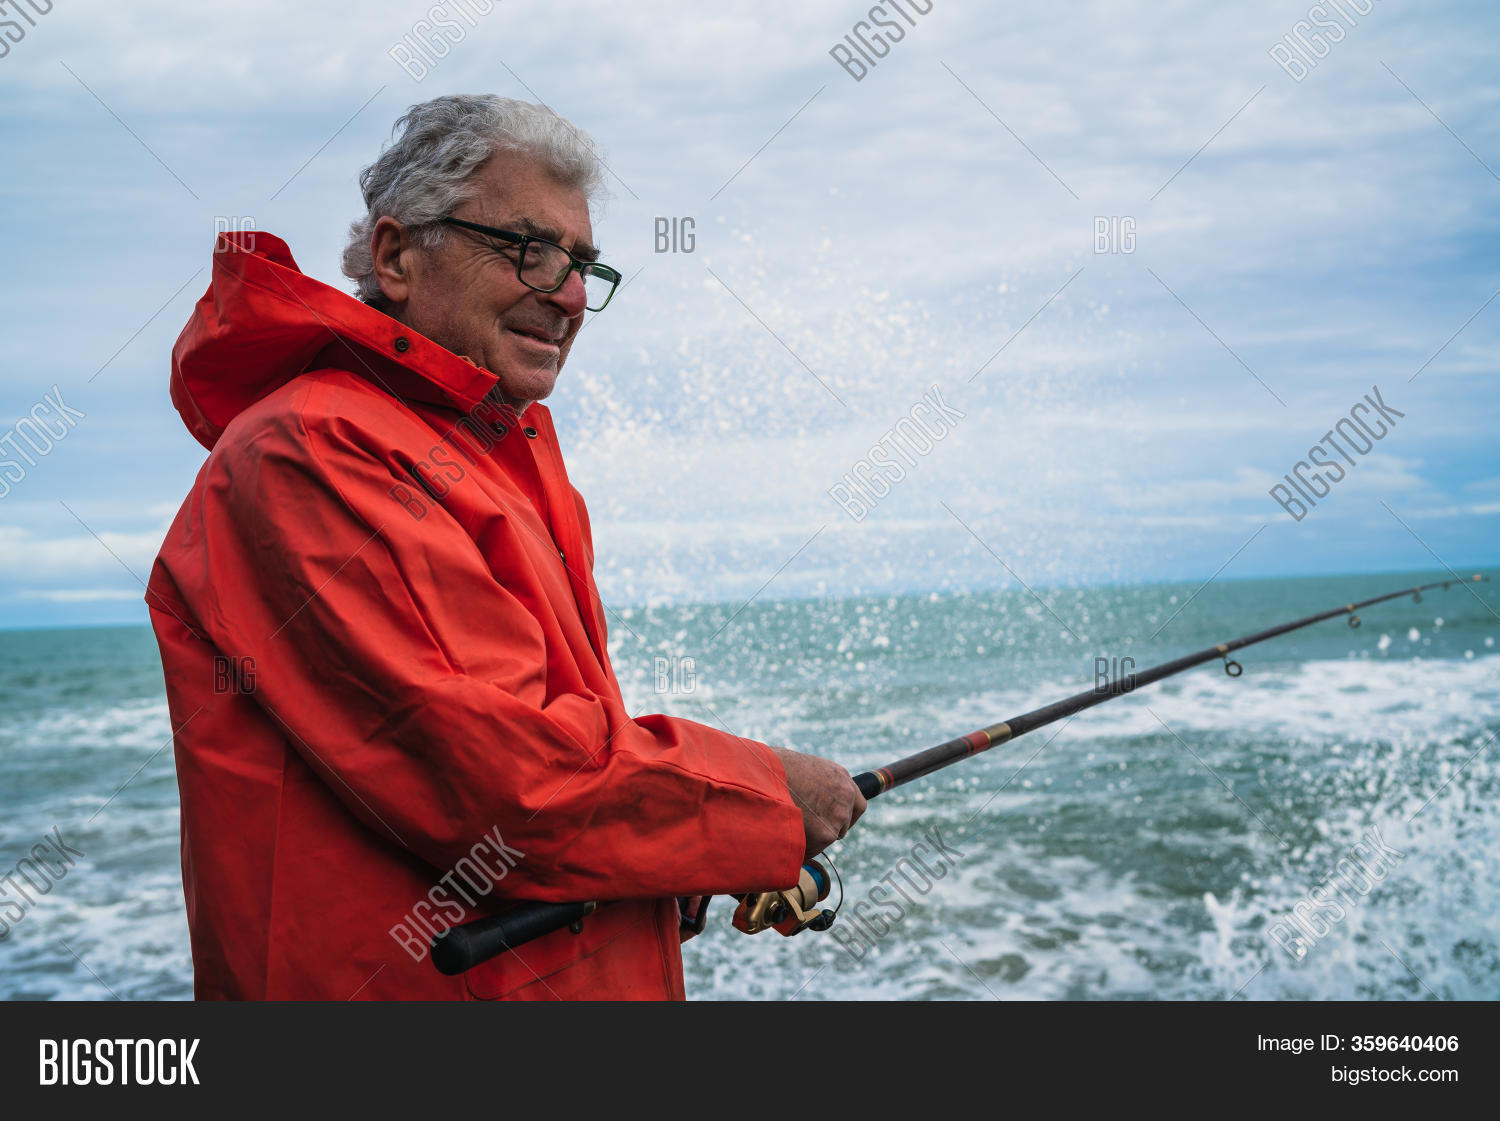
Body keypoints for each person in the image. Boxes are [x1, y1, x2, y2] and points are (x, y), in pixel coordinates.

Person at [146, 94, 865, 1000]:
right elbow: (508, 782)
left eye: (583, 265)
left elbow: (560, 788)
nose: (567, 294)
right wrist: (761, 802)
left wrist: (678, 860)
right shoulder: (310, 450)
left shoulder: (513, 460)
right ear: (397, 254)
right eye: (528, 247)